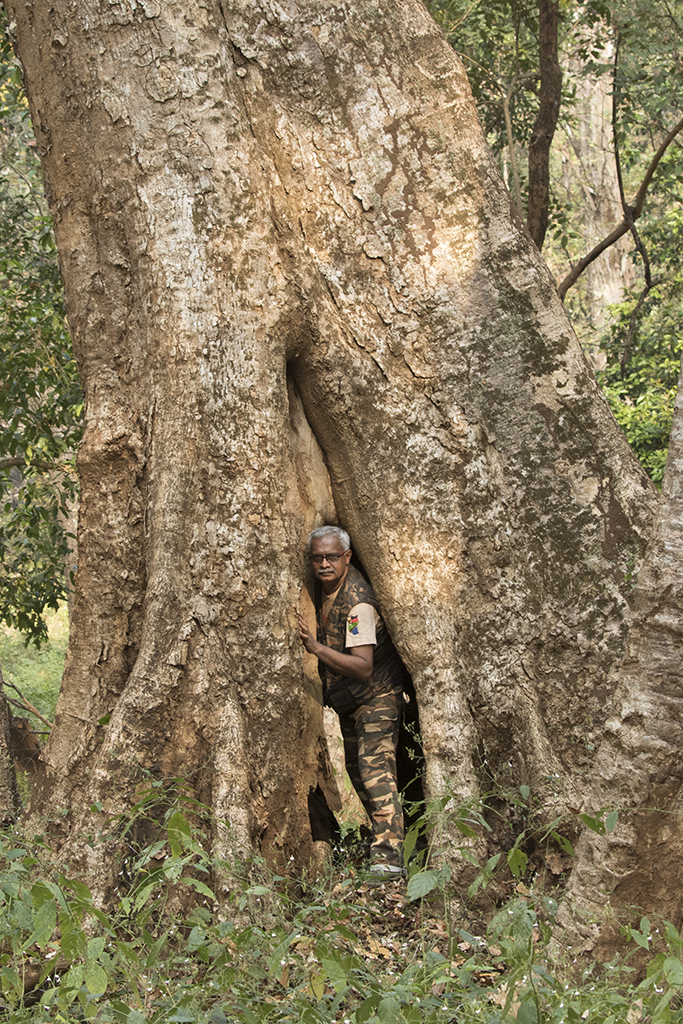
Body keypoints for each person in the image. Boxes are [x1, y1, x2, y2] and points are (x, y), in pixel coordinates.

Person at [299, 525, 406, 879]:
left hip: (376, 697)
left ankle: (390, 858)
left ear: (347, 557)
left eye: (331, 557)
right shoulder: (323, 588)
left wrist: (315, 648)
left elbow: (362, 667)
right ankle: (383, 840)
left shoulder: (357, 601)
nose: (324, 564)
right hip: (350, 702)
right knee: (356, 772)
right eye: (317, 558)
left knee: (376, 773)